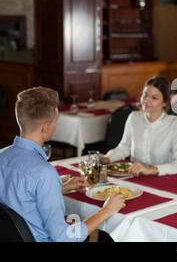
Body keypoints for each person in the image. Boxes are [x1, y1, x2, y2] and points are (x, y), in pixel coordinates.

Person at [0, 87, 125, 242]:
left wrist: (60, 188)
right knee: (107, 235)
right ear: (45, 127)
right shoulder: (44, 173)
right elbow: (63, 238)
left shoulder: (2, 156)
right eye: (55, 121)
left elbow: (19, 199)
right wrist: (106, 211)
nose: (56, 125)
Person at [101, 76, 177, 177]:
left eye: (154, 98)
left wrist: (151, 170)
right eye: (145, 95)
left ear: (165, 103)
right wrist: (107, 158)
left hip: (164, 181)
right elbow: (124, 148)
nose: (146, 100)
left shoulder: (176, 124)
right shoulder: (134, 117)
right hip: (135, 179)